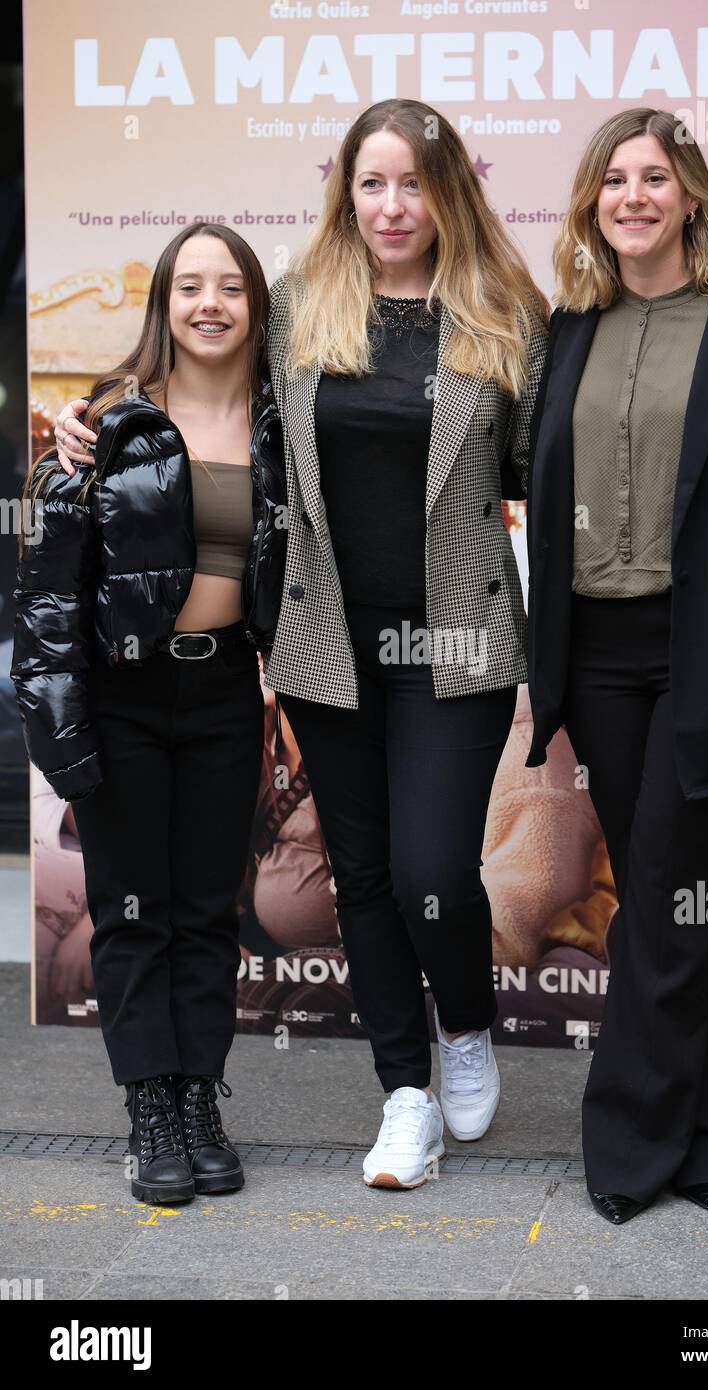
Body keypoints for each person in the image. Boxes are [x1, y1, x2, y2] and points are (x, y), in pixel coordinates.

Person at [55, 99, 549, 1192]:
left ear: (448, 192)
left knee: (431, 872)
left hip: (454, 640)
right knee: (360, 876)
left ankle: (463, 1024)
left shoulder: (504, 313)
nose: (390, 206)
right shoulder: (300, 309)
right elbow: (200, 380)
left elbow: (543, 478)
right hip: (327, 639)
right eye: (370, 183)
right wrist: (94, 418)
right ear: (344, 194)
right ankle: (403, 1095)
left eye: (412, 183)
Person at [524, 108, 708, 1224]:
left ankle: (628, 1141)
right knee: (669, 890)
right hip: (594, 656)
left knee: (654, 890)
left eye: (654, 178)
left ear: (689, 193)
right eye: (613, 181)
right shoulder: (568, 330)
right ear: (591, 203)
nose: (632, 197)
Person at [14, 223, 287, 1205]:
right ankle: (151, 1108)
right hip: (123, 696)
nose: (208, 303)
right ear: (163, 304)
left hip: (222, 693)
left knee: (206, 911)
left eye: (229, 286)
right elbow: (47, 600)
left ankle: (200, 1097)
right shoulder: (106, 425)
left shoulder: (279, 426)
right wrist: (56, 727)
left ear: (256, 305)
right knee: (131, 911)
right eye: (188, 286)